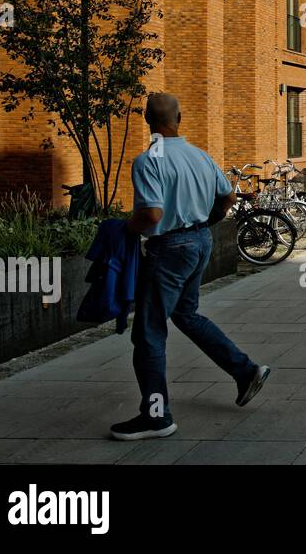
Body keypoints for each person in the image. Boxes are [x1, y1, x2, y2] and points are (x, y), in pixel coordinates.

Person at [112, 93, 270, 441]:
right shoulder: (199, 155)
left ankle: (156, 417)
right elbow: (227, 196)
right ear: (180, 117)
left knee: (149, 333)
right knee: (187, 314)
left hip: (169, 248)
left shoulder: (148, 160)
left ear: (146, 119)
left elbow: (151, 213)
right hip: (201, 241)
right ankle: (245, 371)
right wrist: (206, 223)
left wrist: (125, 228)